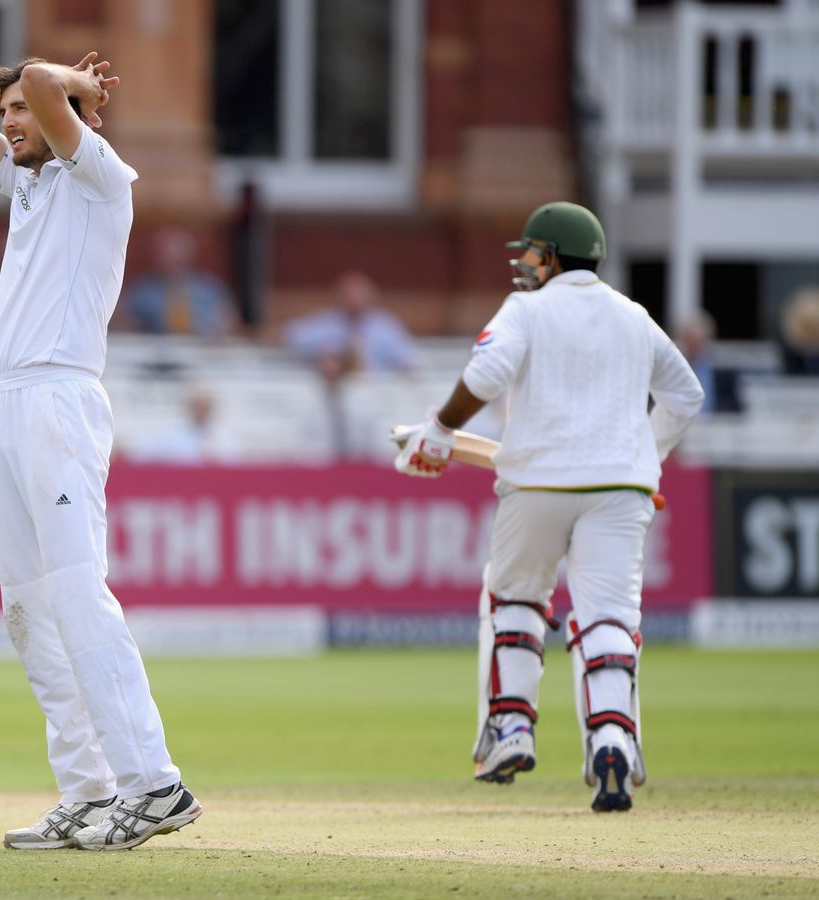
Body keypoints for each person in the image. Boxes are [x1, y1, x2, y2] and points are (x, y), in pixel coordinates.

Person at [0, 51, 202, 851]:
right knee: (29, 612)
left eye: (19, 112)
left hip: (59, 397)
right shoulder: (28, 184)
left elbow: (47, 93)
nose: (7, 122)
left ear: (69, 115)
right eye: (4, 112)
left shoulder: (99, 177)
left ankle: (154, 784)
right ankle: (88, 791)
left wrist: (60, 89)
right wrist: (13, 91)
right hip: (6, 399)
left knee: (79, 595)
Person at [392, 201, 703, 813]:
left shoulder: (528, 310)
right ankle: (613, 738)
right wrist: (646, 455)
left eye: (532, 253)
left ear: (555, 256)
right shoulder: (634, 316)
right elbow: (685, 396)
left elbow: (485, 377)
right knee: (610, 616)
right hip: (620, 490)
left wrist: (438, 427)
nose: (525, 264)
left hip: (536, 484)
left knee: (514, 599)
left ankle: (511, 730)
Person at [284, 270, 415, 373]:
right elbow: (292, 335)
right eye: (349, 293)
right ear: (339, 296)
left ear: (371, 296)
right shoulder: (327, 322)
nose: (354, 298)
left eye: (359, 293)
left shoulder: (385, 325)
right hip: (335, 392)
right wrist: (326, 351)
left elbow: (405, 358)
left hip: (379, 391)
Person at [121, 227, 233, 337]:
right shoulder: (141, 291)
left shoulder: (209, 288)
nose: (170, 262)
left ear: (188, 257)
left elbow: (230, 323)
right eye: (165, 255)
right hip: (156, 350)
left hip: (203, 350)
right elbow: (123, 324)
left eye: (176, 256)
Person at [132, 388, 240, 465]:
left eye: (204, 407)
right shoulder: (170, 435)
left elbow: (233, 466)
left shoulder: (224, 438)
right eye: (197, 406)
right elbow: (143, 457)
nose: (200, 411)